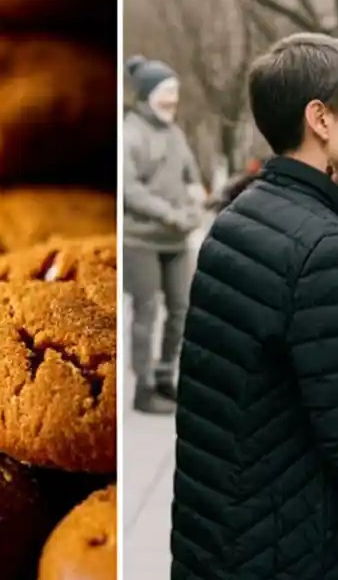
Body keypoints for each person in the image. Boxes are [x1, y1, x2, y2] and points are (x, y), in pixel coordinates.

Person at [171, 33, 338, 580]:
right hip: (292, 547)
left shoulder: (240, 217)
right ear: (320, 118)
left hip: (220, 535)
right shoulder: (326, 249)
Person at [123, 55, 201, 414]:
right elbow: (129, 188)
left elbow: (189, 173)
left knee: (181, 308)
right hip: (140, 240)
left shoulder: (175, 133)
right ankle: (143, 386)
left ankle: (168, 376)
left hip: (176, 241)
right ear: (147, 94)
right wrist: (169, 213)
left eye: (175, 92)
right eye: (166, 92)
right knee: (146, 312)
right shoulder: (131, 132)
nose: (172, 99)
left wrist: (197, 194)